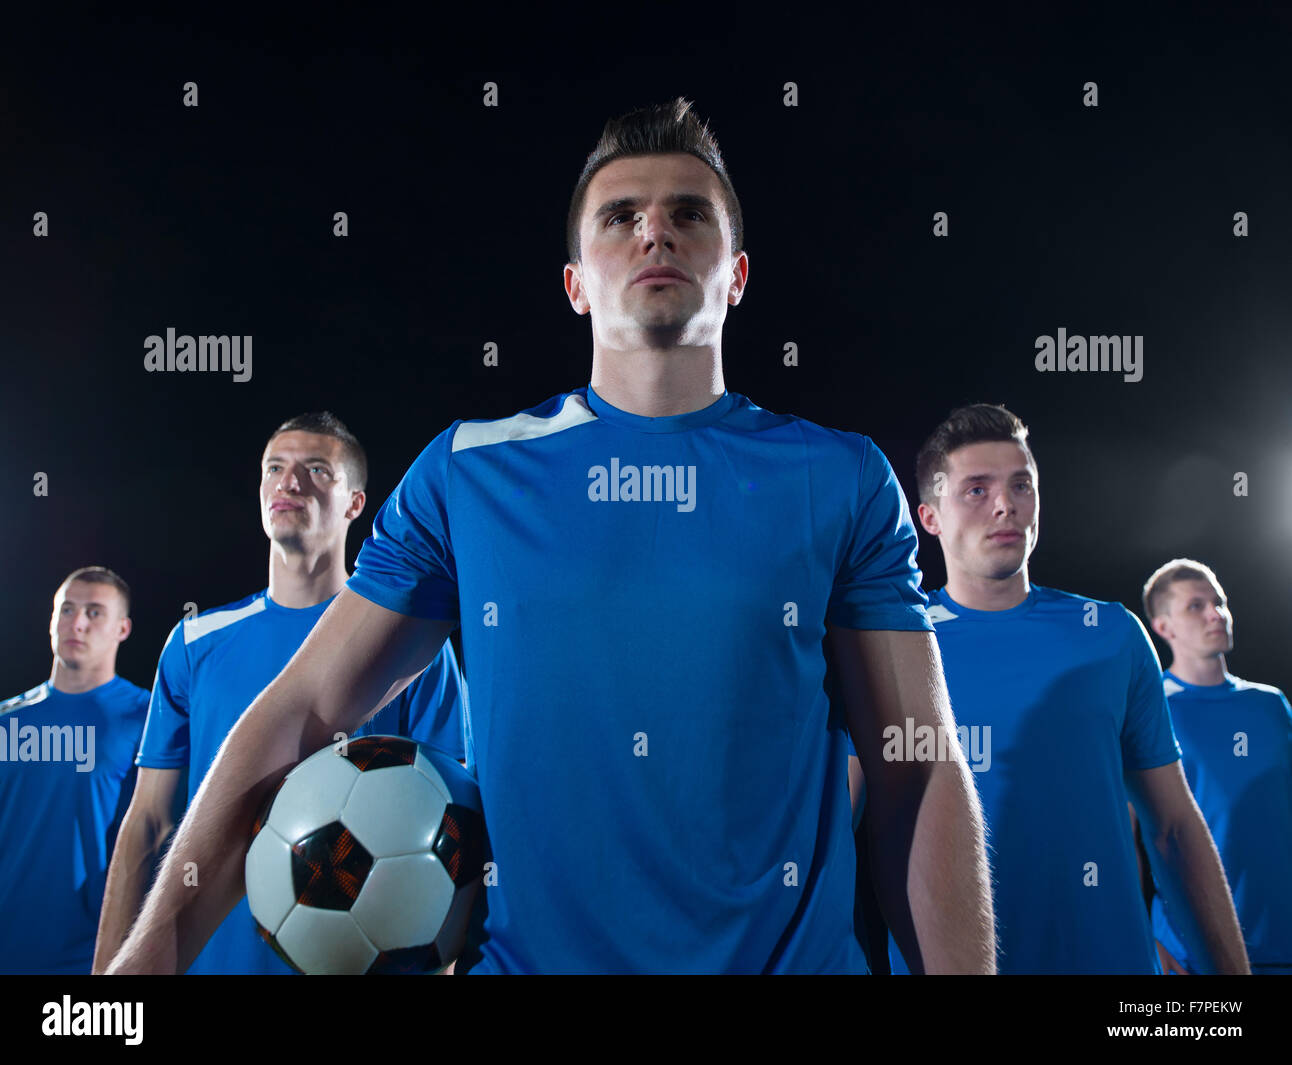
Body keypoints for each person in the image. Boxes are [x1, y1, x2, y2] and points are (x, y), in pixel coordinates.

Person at [108, 98, 993, 975]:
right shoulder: (468, 473)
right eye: (620, 217)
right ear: (575, 282)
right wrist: (147, 959)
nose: (655, 233)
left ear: (737, 274)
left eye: (688, 213)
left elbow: (914, 767)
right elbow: (299, 715)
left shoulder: (838, 476)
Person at [876, 402, 1249, 973]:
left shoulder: (1112, 635)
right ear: (929, 516)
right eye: (976, 489)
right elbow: (835, 829)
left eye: (1021, 484)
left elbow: (1174, 827)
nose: (1006, 503)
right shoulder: (896, 646)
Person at [93, 412, 467, 974]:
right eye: (276, 468)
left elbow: (452, 834)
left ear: (355, 503)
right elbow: (147, 822)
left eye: (317, 470)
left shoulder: (411, 647)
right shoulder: (195, 642)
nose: (290, 483)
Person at [0, 567, 150, 974]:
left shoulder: (149, 718)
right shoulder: (1, 723)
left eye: (94, 612)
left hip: (88, 959)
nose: (76, 622)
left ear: (122, 628)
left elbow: (160, 835)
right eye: (66, 610)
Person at [1139, 558, 1292, 974]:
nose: (1215, 614)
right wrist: (1147, 941)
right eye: (1195, 606)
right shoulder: (1152, 712)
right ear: (1163, 626)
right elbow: (1115, 834)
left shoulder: (1270, 704)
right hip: (1197, 953)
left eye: (1219, 602)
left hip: (1282, 941)